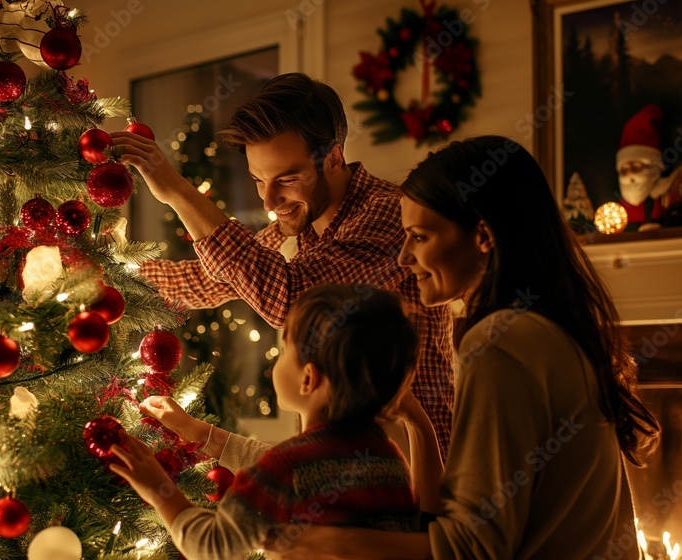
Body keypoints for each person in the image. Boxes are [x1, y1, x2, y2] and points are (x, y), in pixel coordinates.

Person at [260, 136, 660, 559]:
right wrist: (416, 422)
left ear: (483, 235)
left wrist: (317, 542)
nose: (403, 257)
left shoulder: (499, 344)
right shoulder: (551, 329)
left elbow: (472, 548)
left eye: (419, 236)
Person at [111, 73, 455, 459]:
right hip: (348, 466)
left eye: (287, 179)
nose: (270, 201)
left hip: (419, 478)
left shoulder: (386, 215)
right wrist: (116, 275)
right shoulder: (301, 224)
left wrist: (177, 191)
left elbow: (288, 300)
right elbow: (211, 282)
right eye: (259, 180)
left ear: (334, 157)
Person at [109, 284, 441, 560]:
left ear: (308, 379)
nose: (278, 358)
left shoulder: (287, 467)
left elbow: (212, 545)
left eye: (284, 349)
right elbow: (287, 464)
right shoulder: (387, 458)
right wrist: (199, 432)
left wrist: (160, 491)